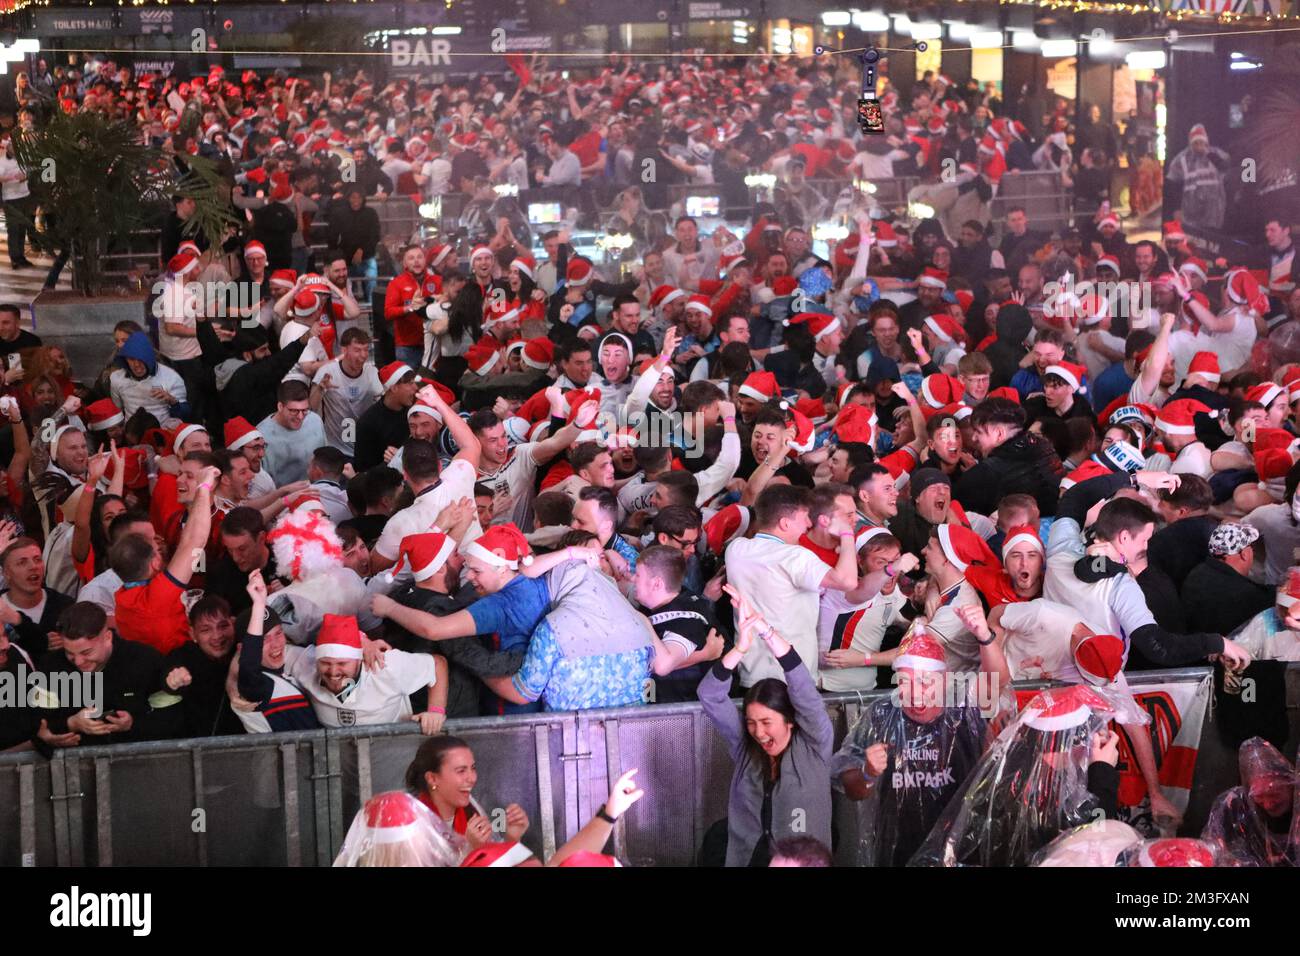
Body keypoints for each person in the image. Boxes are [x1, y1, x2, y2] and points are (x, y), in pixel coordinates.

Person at [697, 586, 833, 867]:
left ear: (791, 721)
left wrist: (764, 631)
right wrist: (740, 648)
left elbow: (802, 686)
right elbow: (709, 694)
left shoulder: (814, 745)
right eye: (751, 722)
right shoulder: (745, 746)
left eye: (767, 722)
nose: (758, 732)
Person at [832, 629, 990, 866]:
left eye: (926, 683)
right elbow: (852, 790)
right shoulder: (880, 716)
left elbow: (989, 783)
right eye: (906, 682)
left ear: (944, 680)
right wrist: (867, 772)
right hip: (896, 851)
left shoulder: (964, 717)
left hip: (958, 850)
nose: (915, 694)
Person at [724, 484, 858, 686]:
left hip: (751, 670)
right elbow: (847, 582)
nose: (808, 524)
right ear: (785, 523)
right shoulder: (796, 556)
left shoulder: (736, 549)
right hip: (792, 673)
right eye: (804, 517)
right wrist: (847, 534)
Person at [110, 464, 221, 656]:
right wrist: (204, 487)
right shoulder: (156, 597)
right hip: (182, 668)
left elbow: (187, 541)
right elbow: (195, 541)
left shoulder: (123, 599)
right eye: (155, 545)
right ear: (154, 563)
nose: (159, 543)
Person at [34, 602, 164, 749]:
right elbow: (35, 724)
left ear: (107, 637)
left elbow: (172, 717)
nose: (78, 661)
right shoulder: (51, 667)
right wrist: (71, 723)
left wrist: (133, 724)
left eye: (86, 652)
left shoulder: (144, 660)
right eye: (69, 653)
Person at [634, 544, 725, 703]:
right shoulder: (675, 599)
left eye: (637, 575)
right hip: (661, 704)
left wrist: (643, 622)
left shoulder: (686, 620)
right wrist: (705, 654)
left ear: (657, 584)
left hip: (681, 717)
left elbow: (662, 666)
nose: (632, 579)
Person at [1181, 523, 1275, 637]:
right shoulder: (1244, 593)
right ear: (1244, 554)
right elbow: (1271, 600)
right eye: (1251, 547)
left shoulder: (1197, 572)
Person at [255, 380, 327, 485]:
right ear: (280, 407)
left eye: (305, 410)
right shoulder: (261, 436)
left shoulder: (315, 420)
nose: (300, 417)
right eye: (294, 411)